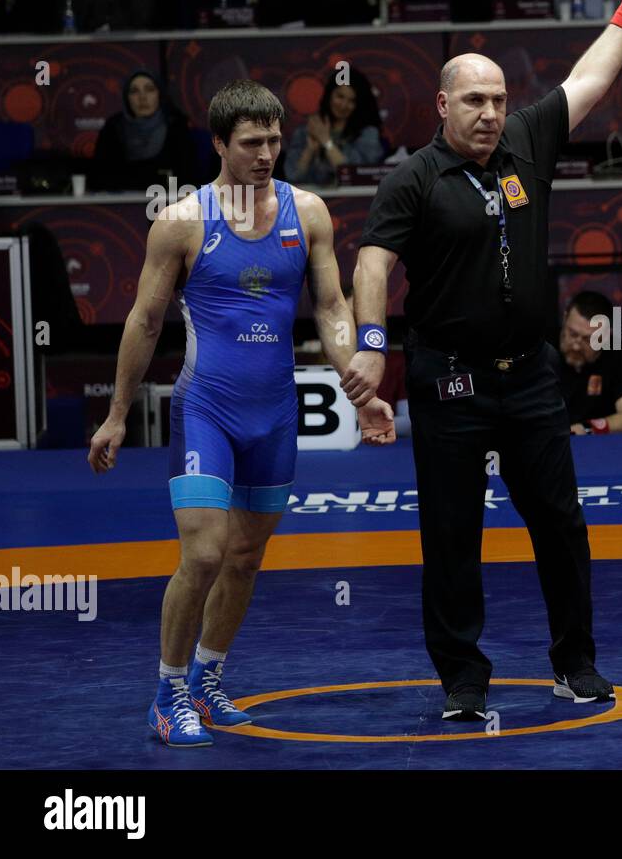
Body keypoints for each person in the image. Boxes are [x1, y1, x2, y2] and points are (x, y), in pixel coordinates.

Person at [341, 0, 622, 721]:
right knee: (452, 535)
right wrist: (369, 342)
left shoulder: (527, 139)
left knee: (560, 523)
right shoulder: (413, 180)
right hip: (447, 378)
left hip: (530, 377)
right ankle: (463, 676)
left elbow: (590, 78)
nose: (490, 113)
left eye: (497, 99)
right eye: (474, 101)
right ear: (442, 105)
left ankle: (575, 662)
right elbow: (372, 263)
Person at [86, 79, 395, 748]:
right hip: (209, 411)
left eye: (275, 140)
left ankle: (208, 677)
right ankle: (167, 692)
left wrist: (360, 386)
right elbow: (143, 321)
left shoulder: (307, 212)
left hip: (275, 414)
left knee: (247, 557)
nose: (266, 153)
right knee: (203, 552)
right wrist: (116, 413)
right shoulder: (181, 222)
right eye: (251, 143)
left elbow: (334, 307)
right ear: (220, 144)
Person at [553, 290, 622, 434]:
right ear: (565, 318)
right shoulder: (541, 348)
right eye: (572, 334)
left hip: (602, 446)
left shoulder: (620, 356)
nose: (576, 345)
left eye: (588, 339)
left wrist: (587, 428)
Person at [90, 69, 199, 191]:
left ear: (160, 94)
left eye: (149, 89)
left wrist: (131, 176)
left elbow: (186, 180)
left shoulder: (176, 127)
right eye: (134, 91)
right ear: (127, 98)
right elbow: (100, 179)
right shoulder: (113, 128)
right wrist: (156, 176)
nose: (142, 97)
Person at [284, 67, 386, 186]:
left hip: (354, 202)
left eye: (351, 101)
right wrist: (310, 149)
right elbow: (293, 176)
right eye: (340, 96)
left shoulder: (368, 134)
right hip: (311, 201)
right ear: (329, 95)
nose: (343, 105)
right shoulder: (306, 131)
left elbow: (354, 176)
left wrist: (326, 142)